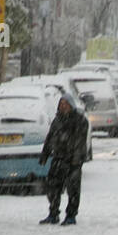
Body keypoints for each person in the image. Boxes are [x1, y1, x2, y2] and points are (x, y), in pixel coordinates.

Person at [38, 93, 90, 226]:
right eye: (61, 104)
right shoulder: (57, 121)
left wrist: (76, 159)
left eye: (66, 104)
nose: (63, 107)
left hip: (73, 160)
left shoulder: (80, 120)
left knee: (73, 189)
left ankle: (71, 215)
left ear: (71, 105)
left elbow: (80, 141)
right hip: (58, 158)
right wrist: (45, 154)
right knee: (52, 187)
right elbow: (50, 138)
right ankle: (53, 213)